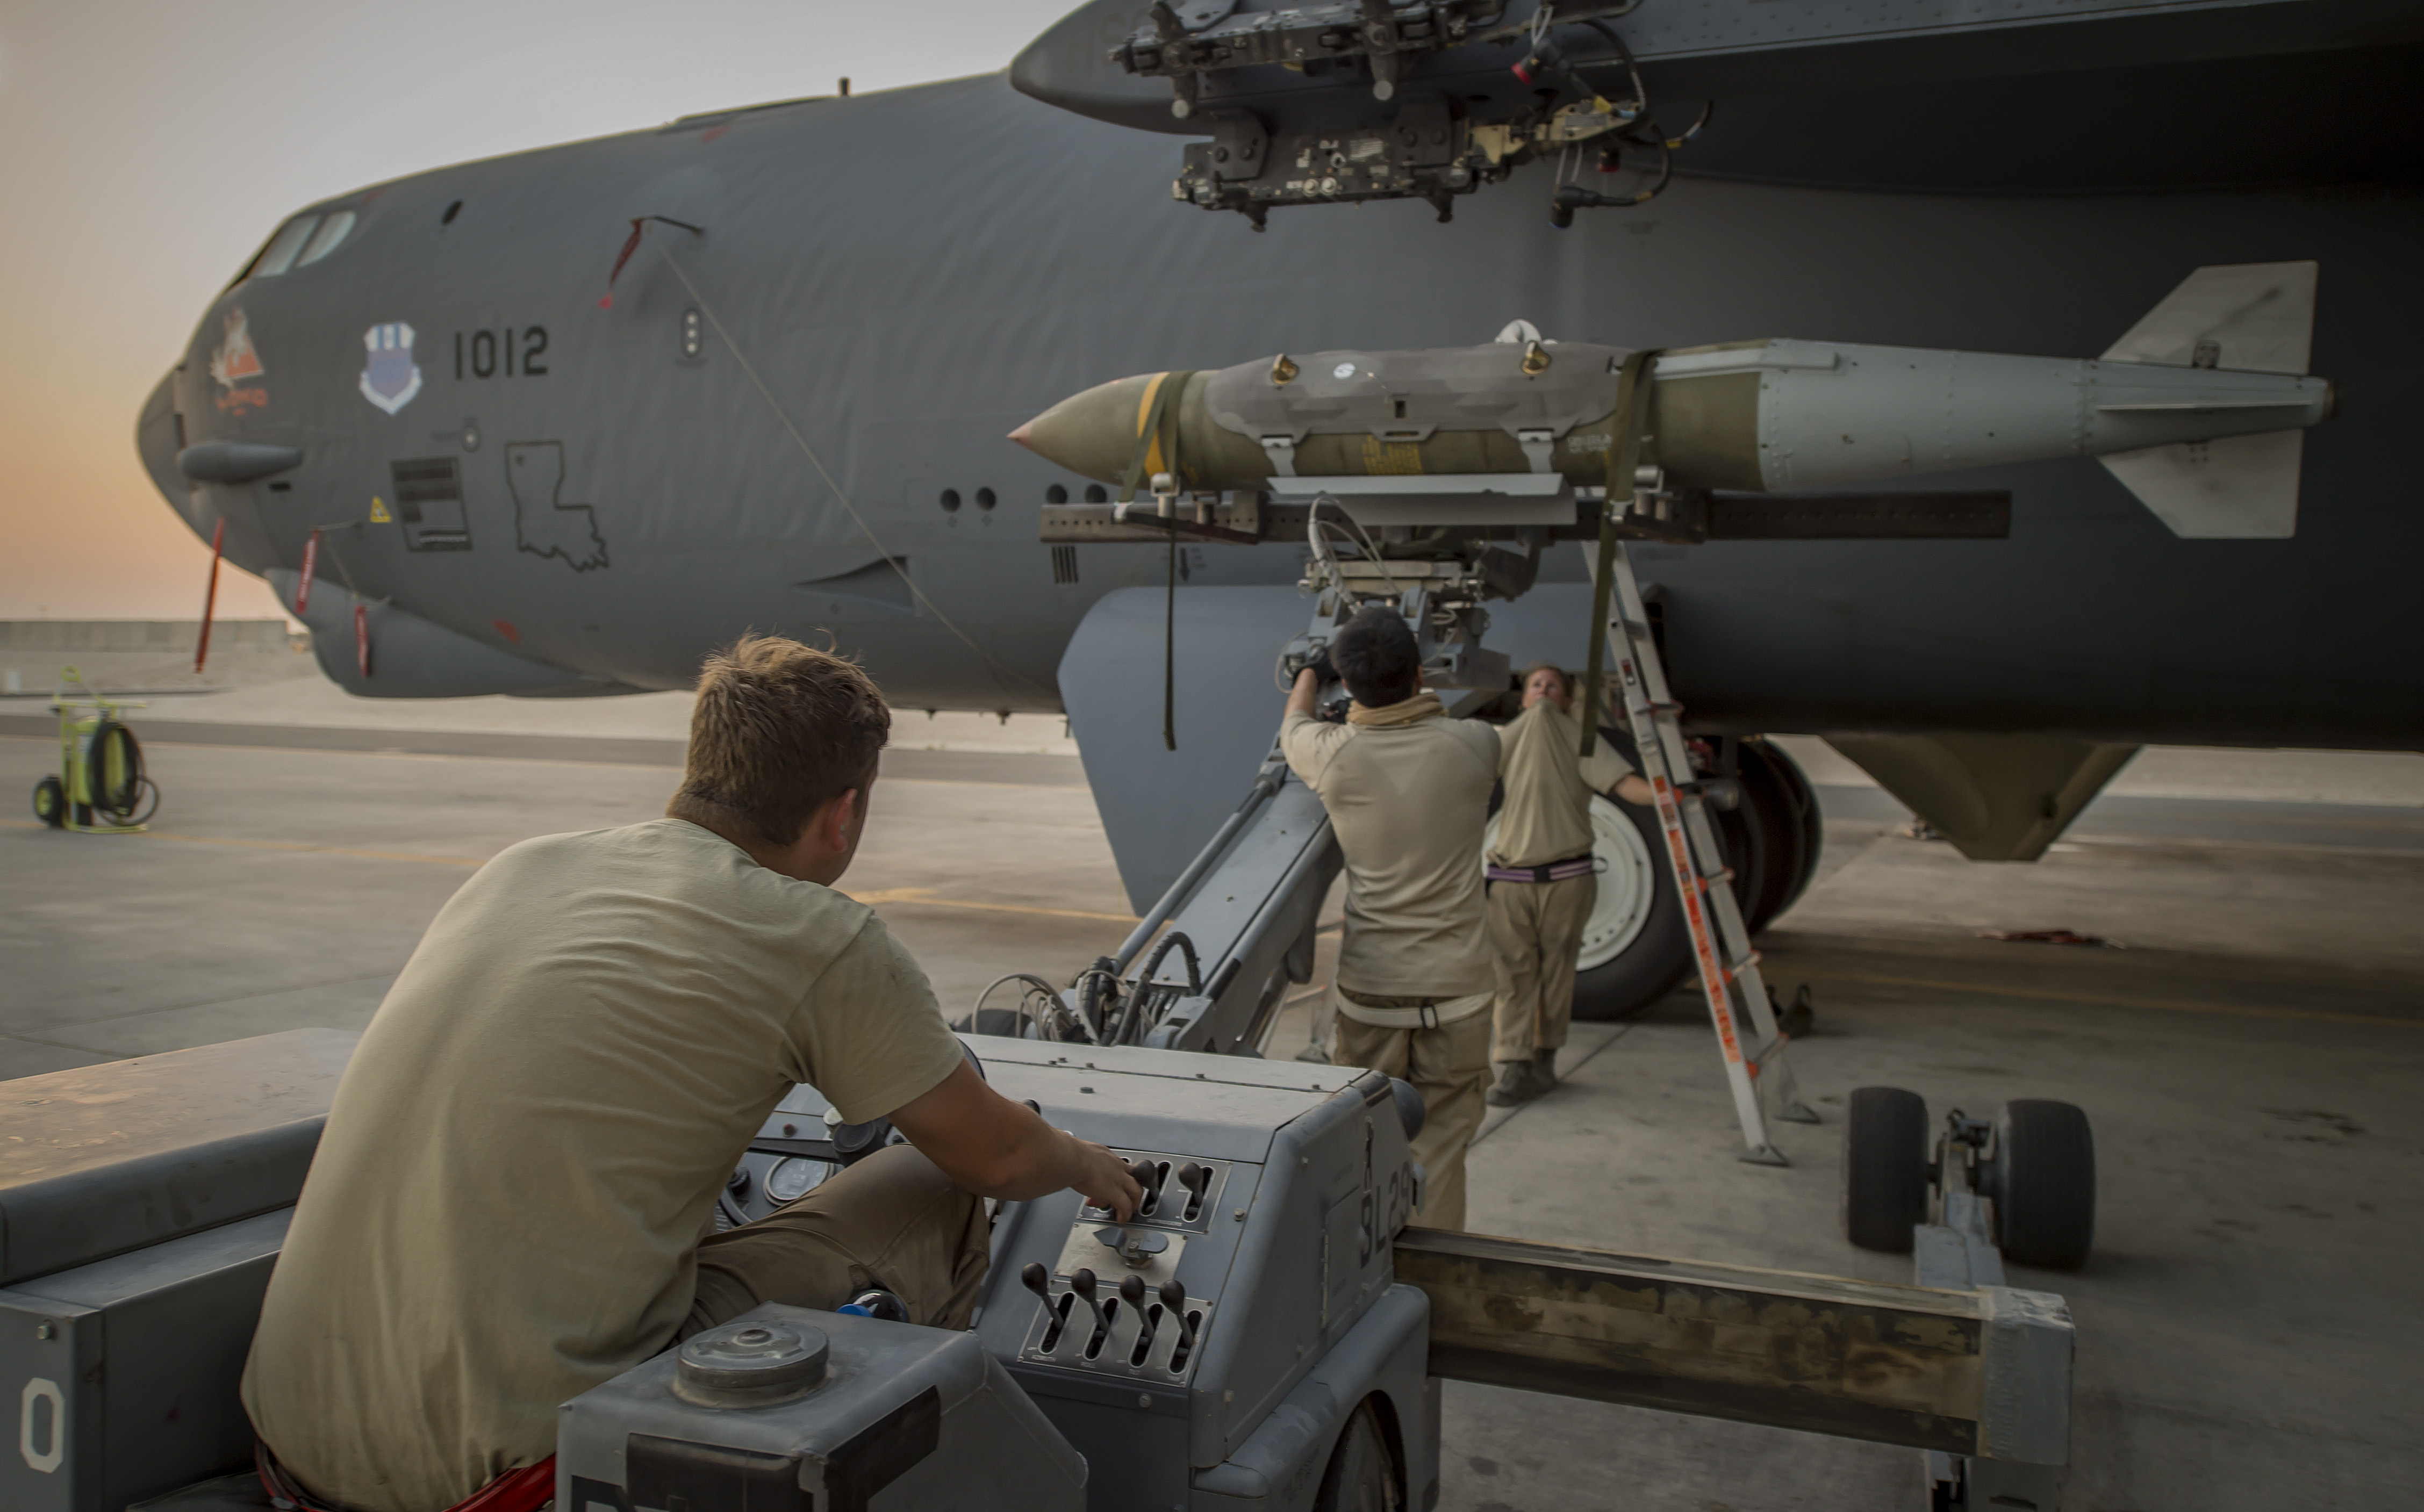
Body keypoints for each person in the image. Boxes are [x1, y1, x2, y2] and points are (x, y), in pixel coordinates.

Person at [241, 635, 1142, 1512]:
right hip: (513, 1476)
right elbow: (996, 1157)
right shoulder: (817, 934)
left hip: (289, 1445)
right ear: (846, 813)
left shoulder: (520, 868)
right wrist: (1090, 1164)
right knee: (933, 1186)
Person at [1281, 608, 1500, 1230]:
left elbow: (1294, 721)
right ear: (1420, 673)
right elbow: (1443, 719)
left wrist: (1308, 672)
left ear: (1348, 685)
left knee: (1366, 1146)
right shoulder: (1477, 745)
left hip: (1372, 993)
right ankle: (1437, 1281)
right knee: (1443, 1146)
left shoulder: (1329, 757)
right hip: (1458, 993)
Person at [1484, 661, 1655, 1107]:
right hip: (1510, 879)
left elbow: (1626, 784)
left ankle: (1545, 1056)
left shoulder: (1583, 744)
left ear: (1568, 700)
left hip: (1567, 877)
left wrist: (1672, 795)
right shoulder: (1504, 740)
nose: (1543, 692)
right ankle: (1514, 1064)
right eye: (1536, 685)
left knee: (1556, 973)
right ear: (1523, 699)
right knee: (1513, 975)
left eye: (1553, 686)